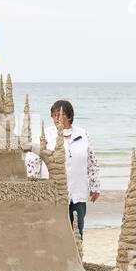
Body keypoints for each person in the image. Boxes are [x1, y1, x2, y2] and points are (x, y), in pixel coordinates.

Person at [50, 100, 101, 236]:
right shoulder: (47, 134)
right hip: (53, 193)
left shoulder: (82, 134)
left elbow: (92, 162)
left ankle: (78, 257)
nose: (57, 118)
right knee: (56, 232)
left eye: (60, 115)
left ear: (69, 116)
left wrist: (95, 186)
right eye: (54, 115)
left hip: (78, 192)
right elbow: (34, 162)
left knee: (77, 231)